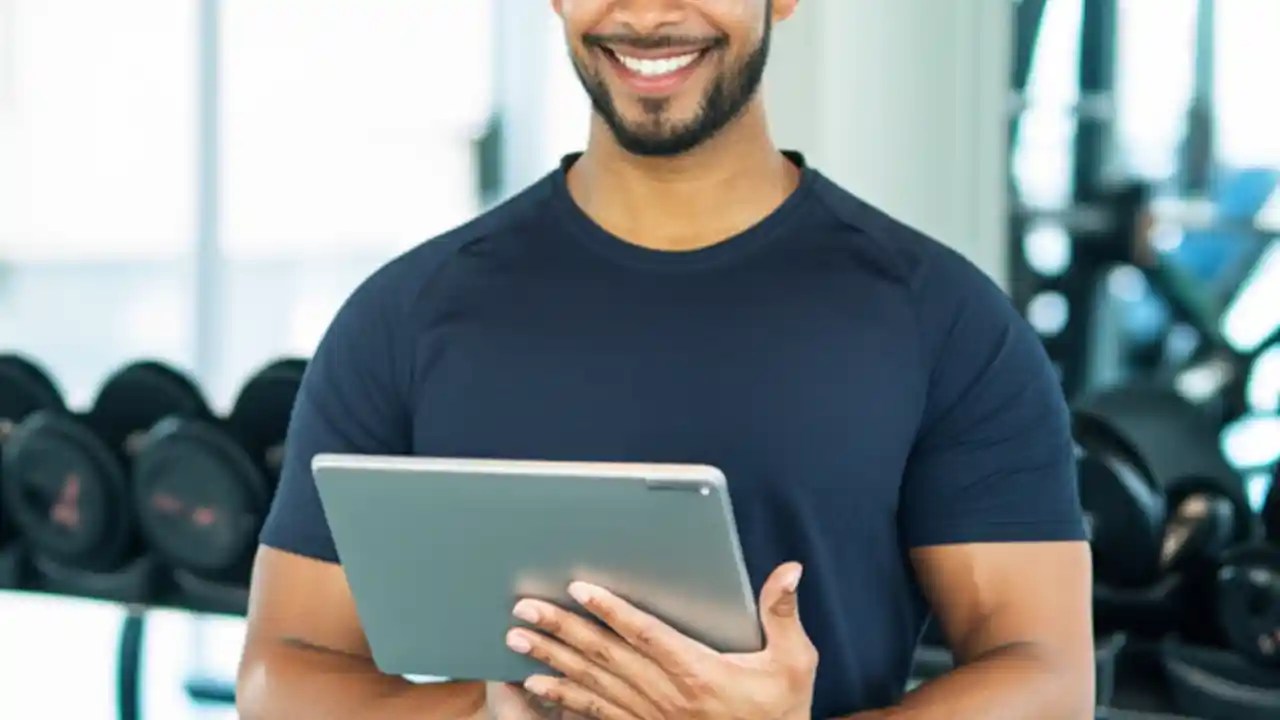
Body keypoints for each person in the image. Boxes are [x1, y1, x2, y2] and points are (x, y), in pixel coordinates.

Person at [235, 1, 1096, 718]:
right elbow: (282, 672)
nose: (646, 14)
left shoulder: (943, 318)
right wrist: (499, 711)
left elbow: (1050, 677)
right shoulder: (405, 315)